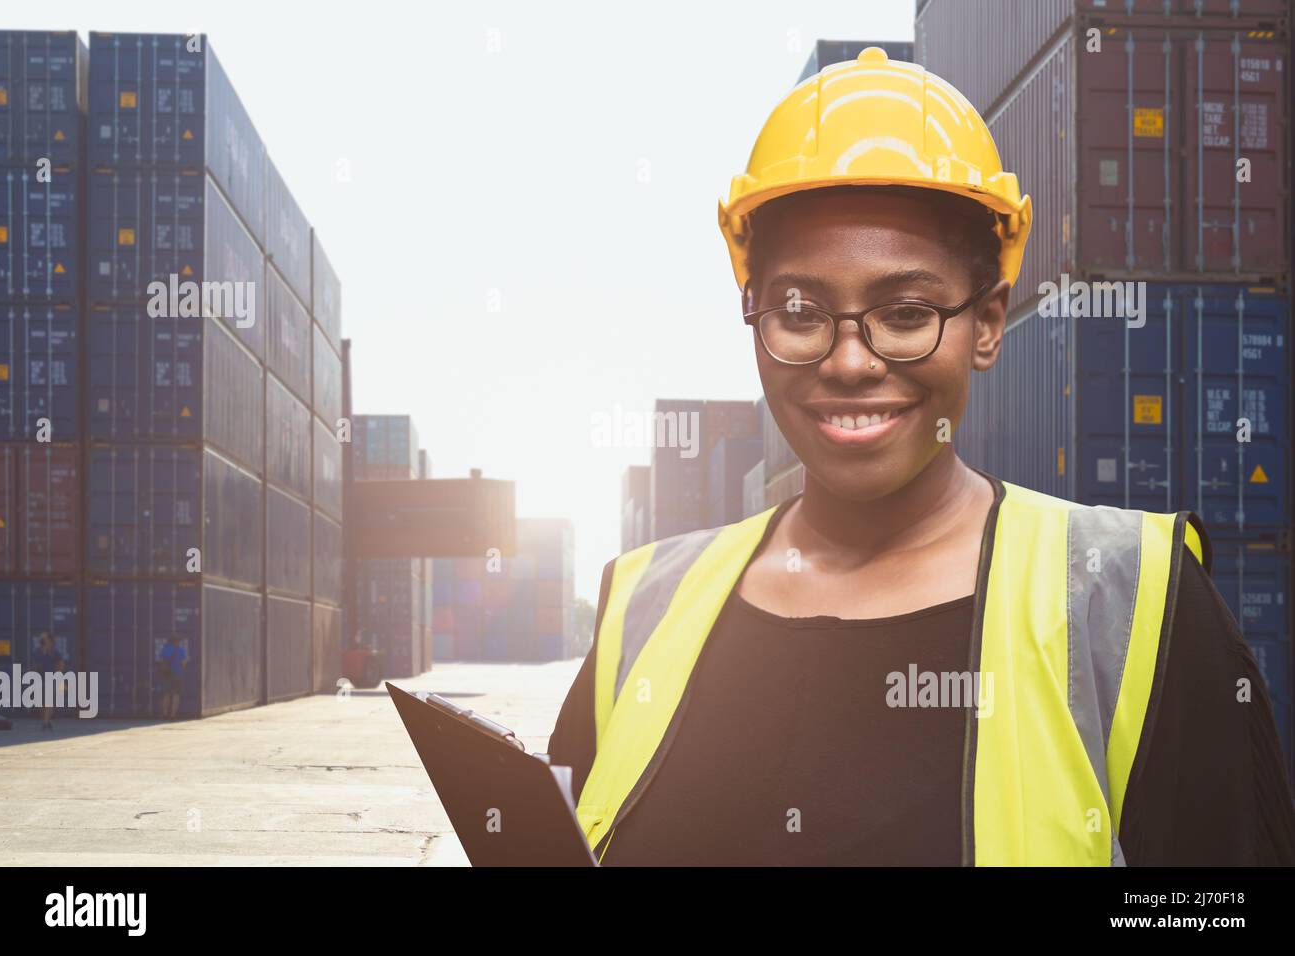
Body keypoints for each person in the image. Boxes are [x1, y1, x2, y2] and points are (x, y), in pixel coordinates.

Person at [548, 48, 1295, 866]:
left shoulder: (1133, 604)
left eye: (905, 312)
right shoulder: (642, 610)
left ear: (988, 324)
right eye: (800, 311)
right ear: (753, 317)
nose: (850, 362)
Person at [31, 631, 63, 730]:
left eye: (44, 638)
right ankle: (47, 720)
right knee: (40, 703)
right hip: (39, 678)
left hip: (51, 678)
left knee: (49, 701)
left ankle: (45, 722)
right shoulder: (37, 651)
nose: (42, 640)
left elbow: (60, 664)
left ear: (49, 640)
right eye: (41, 638)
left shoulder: (55, 652)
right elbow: (34, 664)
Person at [157, 636, 188, 719]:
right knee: (176, 695)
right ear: (177, 642)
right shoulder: (181, 650)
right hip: (177, 674)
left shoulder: (164, 649)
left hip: (167, 674)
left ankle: (164, 714)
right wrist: (180, 669)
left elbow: (160, 661)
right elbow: (184, 663)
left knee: (166, 694)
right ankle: (173, 715)